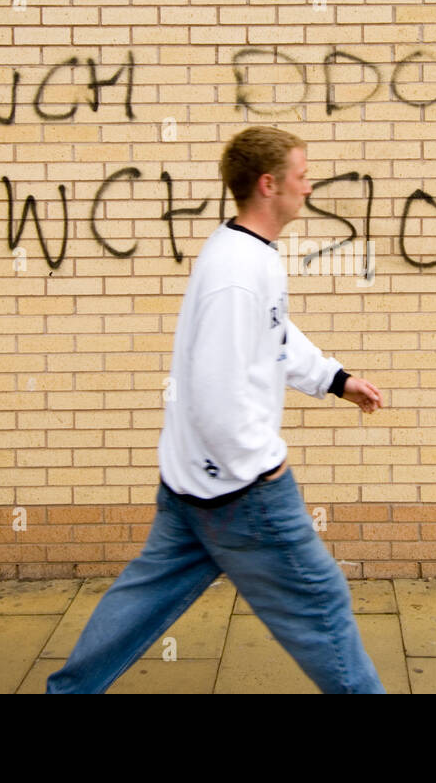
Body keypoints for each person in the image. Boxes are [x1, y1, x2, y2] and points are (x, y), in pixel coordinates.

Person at [47, 126, 386, 694]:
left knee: (142, 600)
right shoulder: (238, 272)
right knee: (319, 602)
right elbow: (214, 392)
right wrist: (263, 468)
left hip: (192, 486)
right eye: (302, 176)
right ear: (269, 183)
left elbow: (272, 333)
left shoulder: (244, 252)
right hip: (240, 492)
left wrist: (334, 378)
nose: (310, 186)